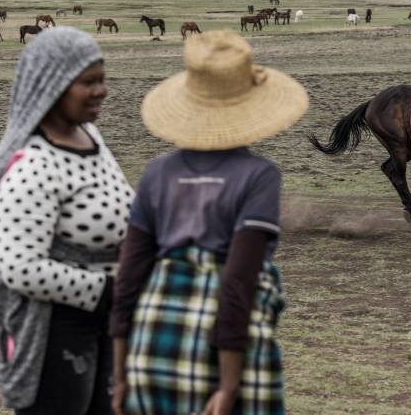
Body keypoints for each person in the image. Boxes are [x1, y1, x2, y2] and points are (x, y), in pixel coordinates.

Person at [110, 30, 308, 415]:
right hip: (225, 345)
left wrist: (118, 375)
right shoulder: (259, 175)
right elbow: (236, 281)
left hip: (152, 341)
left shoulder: (156, 173)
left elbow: (129, 276)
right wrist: (229, 384)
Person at [0, 27, 136, 414]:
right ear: (54, 84)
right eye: (87, 82)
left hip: (105, 325)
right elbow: (21, 269)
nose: (101, 90)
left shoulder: (92, 139)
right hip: (52, 332)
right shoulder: (31, 165)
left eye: (102, 79)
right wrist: (107, 291)